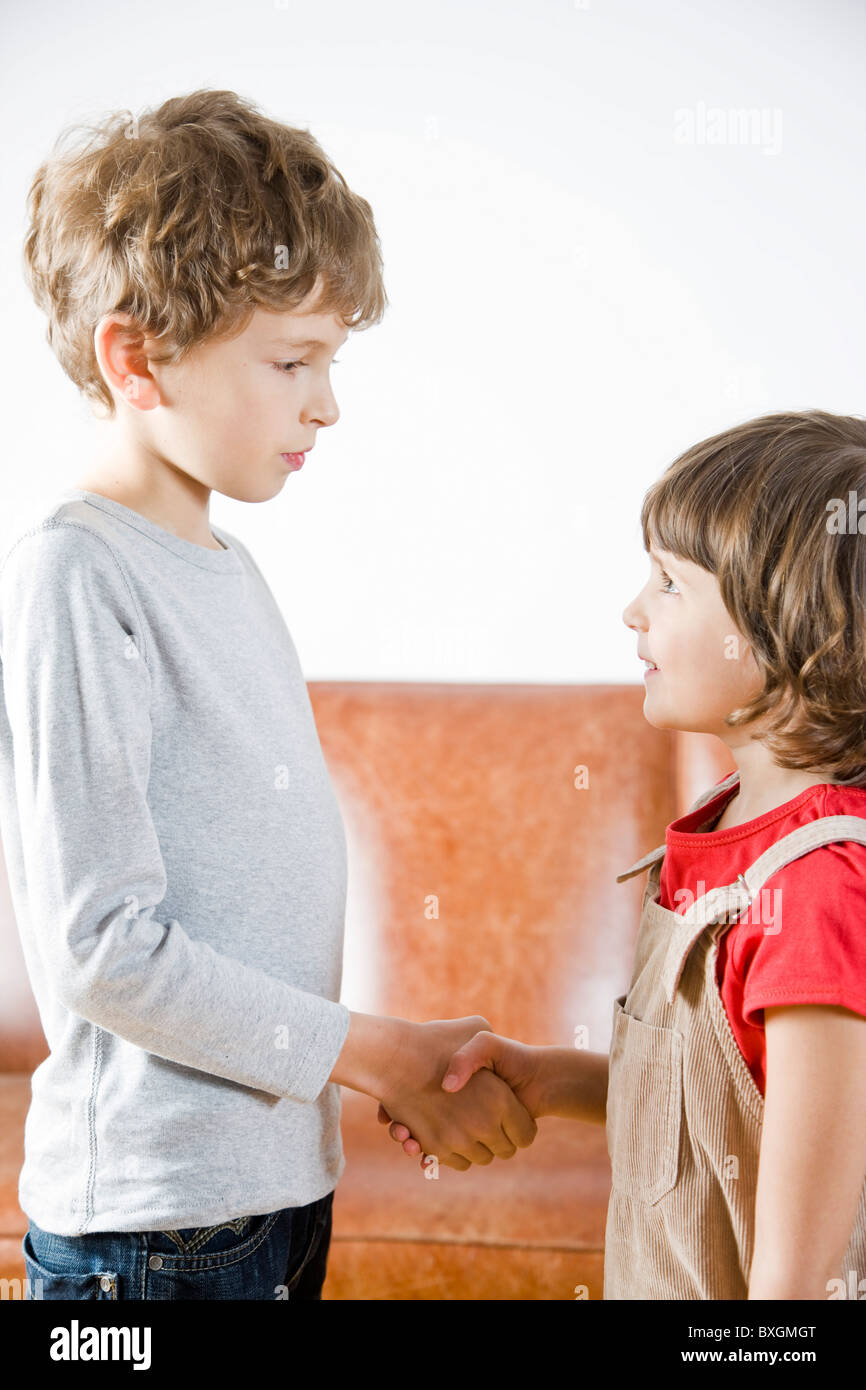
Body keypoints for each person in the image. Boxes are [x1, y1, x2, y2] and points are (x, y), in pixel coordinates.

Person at [3, 88, 536, 1303]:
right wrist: (376, 1054)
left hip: (277, 1192)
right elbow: (102, 952)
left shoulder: (227, 567)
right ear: (134, 358)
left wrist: (379, 1063)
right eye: (292, 360)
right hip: (155, 1230)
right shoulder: (76, 575)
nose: (326, 403)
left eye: (330, 362)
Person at [385, 410, 866, 1301]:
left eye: (671, 583)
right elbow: (722, 1115)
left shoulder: (818, 891)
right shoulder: (720, 827)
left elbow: (794, 1291)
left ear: (791, 627)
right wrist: (547, 1078)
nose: (633, 611)